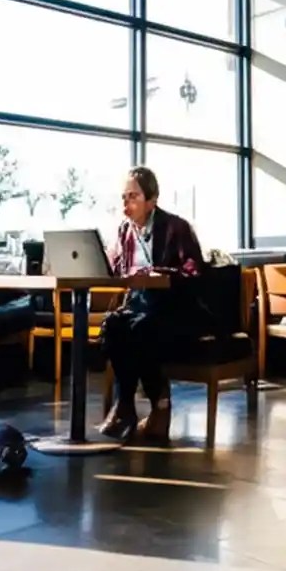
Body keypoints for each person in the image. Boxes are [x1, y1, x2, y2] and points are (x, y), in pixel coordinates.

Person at [97, 166, 204, 442]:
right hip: (139, 305)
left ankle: (150, 407)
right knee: (113, 326)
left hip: (175, 307)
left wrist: (160, 273)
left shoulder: (175, 227)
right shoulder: (124, 230)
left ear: (152, 199)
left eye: (133, 196)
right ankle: (129, 406)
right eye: (123, 197)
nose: (126, 204)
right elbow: (116, 268)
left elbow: (194, 272)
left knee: (141, 329)